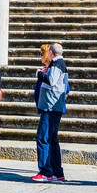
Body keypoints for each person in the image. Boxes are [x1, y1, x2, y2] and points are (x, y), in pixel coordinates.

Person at [32, 42, 69, 182]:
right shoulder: (60, 64)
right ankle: (58, 173)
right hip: (55, 106)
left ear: (51, 53)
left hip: (50, 106)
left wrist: (40, 74)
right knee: (52, 139)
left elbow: (51, 81)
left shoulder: (56, 64)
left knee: (43, 137)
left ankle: (46, 172)